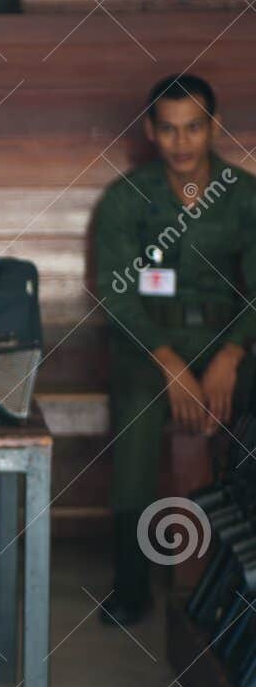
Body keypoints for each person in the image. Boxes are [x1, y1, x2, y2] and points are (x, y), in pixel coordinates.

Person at [94, 73, 256, 626]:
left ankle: (243, 571)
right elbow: (116, 293)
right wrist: (170, 364)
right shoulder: (126, 199)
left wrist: (231, 355)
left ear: (213, 127)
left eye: (193, 128)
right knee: (136, 416)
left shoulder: (245, 195)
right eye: (168, 129)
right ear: (150, 131)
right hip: (147, 346)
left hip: (228, 339)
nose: (182, 142)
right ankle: (131, 586)